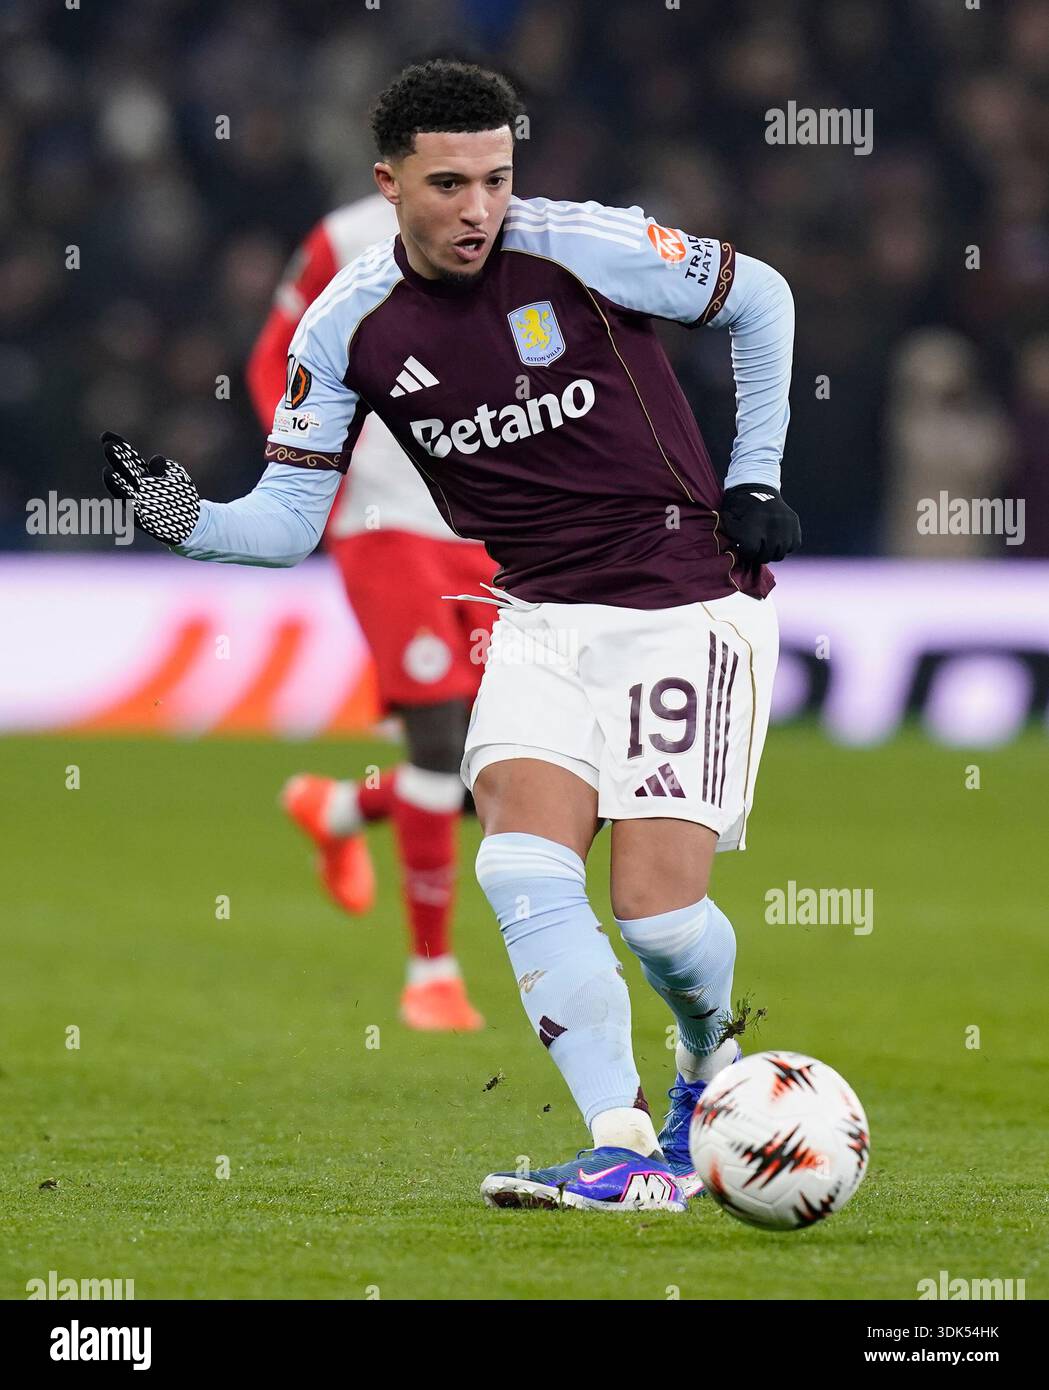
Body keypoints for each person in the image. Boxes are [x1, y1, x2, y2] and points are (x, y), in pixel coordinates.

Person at [99, 57, 800, 1213]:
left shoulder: (580, 243)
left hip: (680, 601)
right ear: (388, 184)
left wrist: (757, 474)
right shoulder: (347, 327)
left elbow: (759, 295)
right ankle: (624, 1146)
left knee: (660, 919)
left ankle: (701, 1065)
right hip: (531, 613)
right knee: (521, 862)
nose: (478, 207)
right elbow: (284, 521)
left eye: (494, 177)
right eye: (447, 184)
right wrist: (188, 523)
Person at [246, 193, 497, 1033]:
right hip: (386, 527)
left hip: (495, 528)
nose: (475, 193)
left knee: (496, 767)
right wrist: (312, 475)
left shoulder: (531, 235)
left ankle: (343, 808)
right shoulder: (344, 238)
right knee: (440, 743)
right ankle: (432, 973)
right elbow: (270, 363)